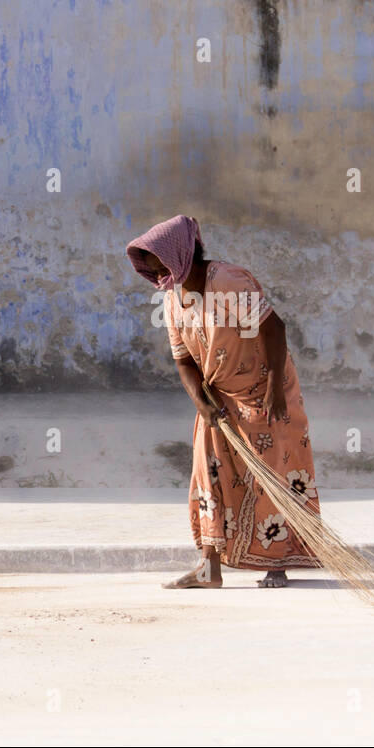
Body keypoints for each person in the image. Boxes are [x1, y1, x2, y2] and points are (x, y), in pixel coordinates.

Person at [126, 215, 322, 589]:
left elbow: (273, 328)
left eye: (160, 265)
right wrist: (200, 401)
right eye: (152, 269)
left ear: (181, 254)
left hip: (263, 391)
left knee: (270, 474)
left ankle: (276, 562)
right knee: (208, 475)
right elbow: (183, 359)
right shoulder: (172, 300)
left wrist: (276, 391)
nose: (157, 275)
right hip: (217, 396)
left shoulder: (228, 282)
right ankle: (209, 568)